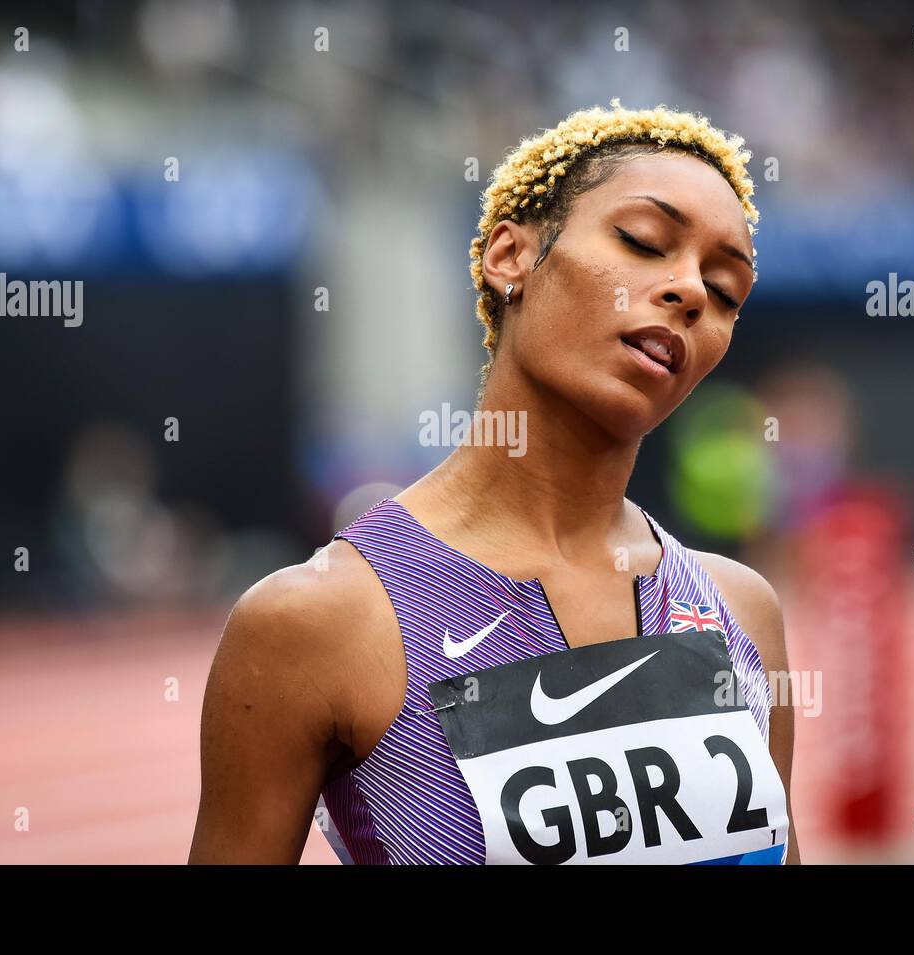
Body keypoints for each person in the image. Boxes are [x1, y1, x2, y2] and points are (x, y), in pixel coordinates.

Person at [189, 99, 801, 865]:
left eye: (725, 289)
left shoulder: (742, 610)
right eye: (644, 241)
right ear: (510, 255)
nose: (689, 292)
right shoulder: (317, 621)